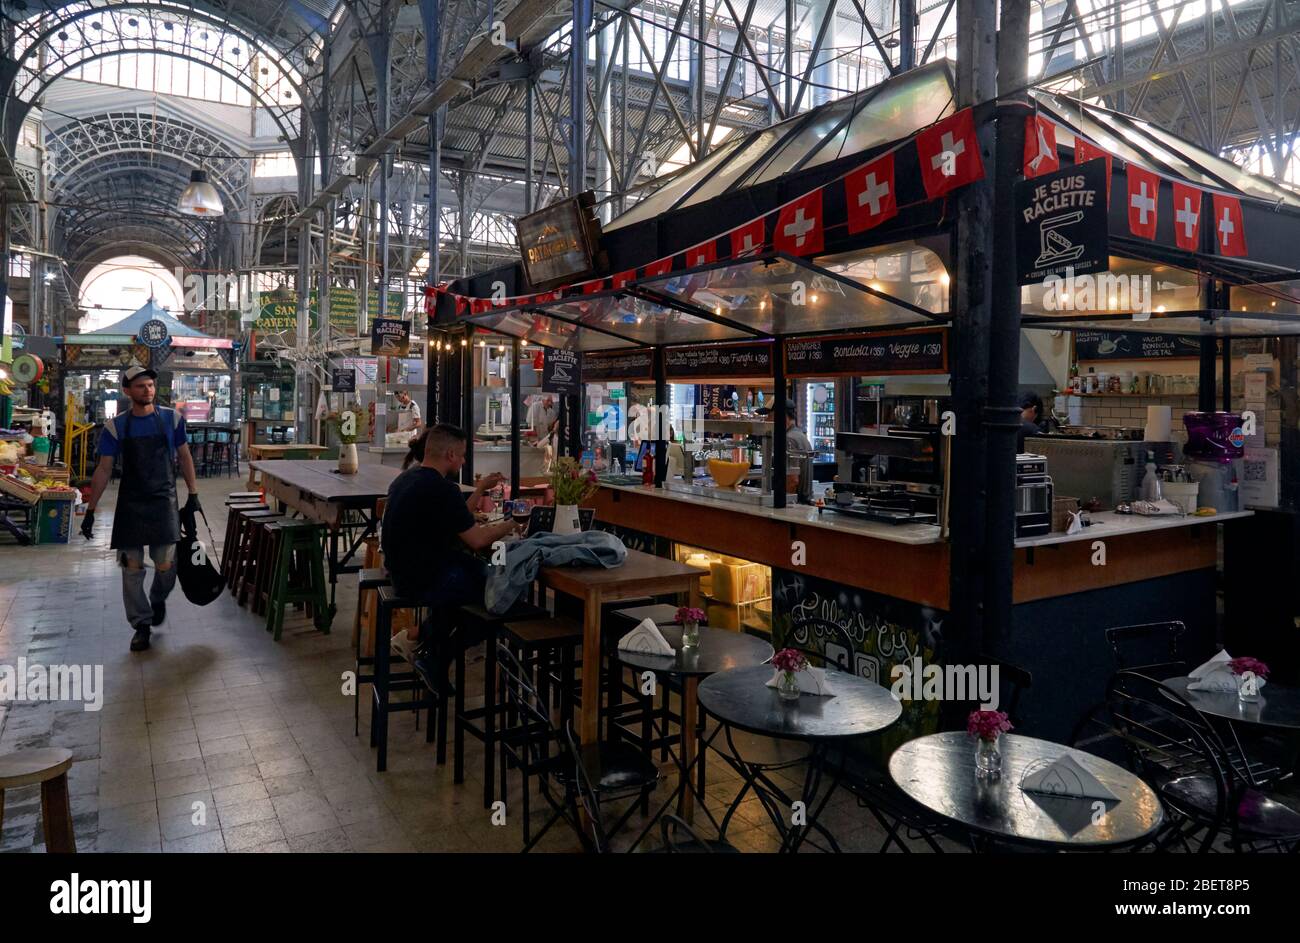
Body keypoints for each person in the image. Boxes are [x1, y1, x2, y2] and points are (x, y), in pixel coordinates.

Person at [381, 423, 521, 665]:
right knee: (501, 592)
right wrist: (515, 522)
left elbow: (456, 517)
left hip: (400, 573)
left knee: (478, 577)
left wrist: (479, 490)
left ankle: (421, 639)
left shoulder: (406, 479)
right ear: (450, 455)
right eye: (463, 454)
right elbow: (477, 540)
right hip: (424, 580)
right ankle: (439, 656)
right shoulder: (442, 488)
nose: (464, 461)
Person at [82, 365, 200, 652]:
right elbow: (104, 468)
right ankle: (141, 625)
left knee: (165, 565)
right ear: (127, 391)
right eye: (140, 386)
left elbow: (184, 457)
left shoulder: (172, 420)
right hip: (131, 503)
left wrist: (193, 494)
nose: (147, 390)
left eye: (150, 385)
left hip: (163, 500)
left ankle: (158, 598)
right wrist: (90, 509)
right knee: (131, 567)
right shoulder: (116, 426)